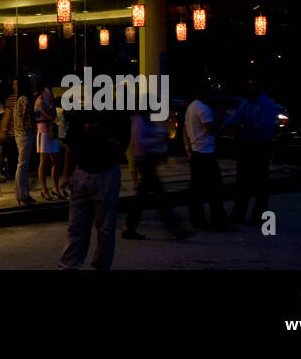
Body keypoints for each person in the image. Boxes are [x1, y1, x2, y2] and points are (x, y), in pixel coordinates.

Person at [58, 102, 130, 269]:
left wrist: (100, 135)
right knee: (76, 226)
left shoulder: (118, 114)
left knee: (104, 229)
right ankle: (69, 265)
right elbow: (71, 145)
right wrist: (66, 174)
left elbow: (120, 147)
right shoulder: (83, 113)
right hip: (82, 173)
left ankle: (100, 265)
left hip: (105, 173)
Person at [122, 108, 189, 241]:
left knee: (146, 197)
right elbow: (139, 143)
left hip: (146, 160)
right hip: (145, 161)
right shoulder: (139, 120)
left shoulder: (141, 120)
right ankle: (174, 227)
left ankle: (130, 227)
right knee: (158, 197)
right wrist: (158, 138)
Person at [227, 79, 279, 225]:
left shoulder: (267, 104)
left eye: (254, 84)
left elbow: (263, 125)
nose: (251, 87)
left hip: (260, 144)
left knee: (260, 181)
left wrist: (242, 126)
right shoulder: (246, 103)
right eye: (250, 84)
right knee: (243, 180)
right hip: (246, 143)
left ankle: (259, 216)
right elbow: (234, 119)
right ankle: (239, 214)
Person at [184, 85, 234, 231]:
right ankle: (217, 220)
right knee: (215, 188)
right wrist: (221, 116)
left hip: (196, 151)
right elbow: (209, 129)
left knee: (196, 189)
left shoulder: (191, 108)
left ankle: (198, 219)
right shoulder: (203, 109)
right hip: (205, 152)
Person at [34, 79, 64, 199]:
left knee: (56, 162)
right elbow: (46, 114)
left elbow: (52, 112)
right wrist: (51, 114)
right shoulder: (40, 100)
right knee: (44, 161)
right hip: (43, 131)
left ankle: (55, 188)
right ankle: (44, 189)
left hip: (50, 131)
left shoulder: (46, 97)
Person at [13, 76, 35, 205]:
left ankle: (23, 193)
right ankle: (22, 194)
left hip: (19, 134)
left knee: (22, 164)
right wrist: (33, 127)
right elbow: (26, 119)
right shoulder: (24, 99)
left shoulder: (19, 99)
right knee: (23, 164)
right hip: (25, 134)